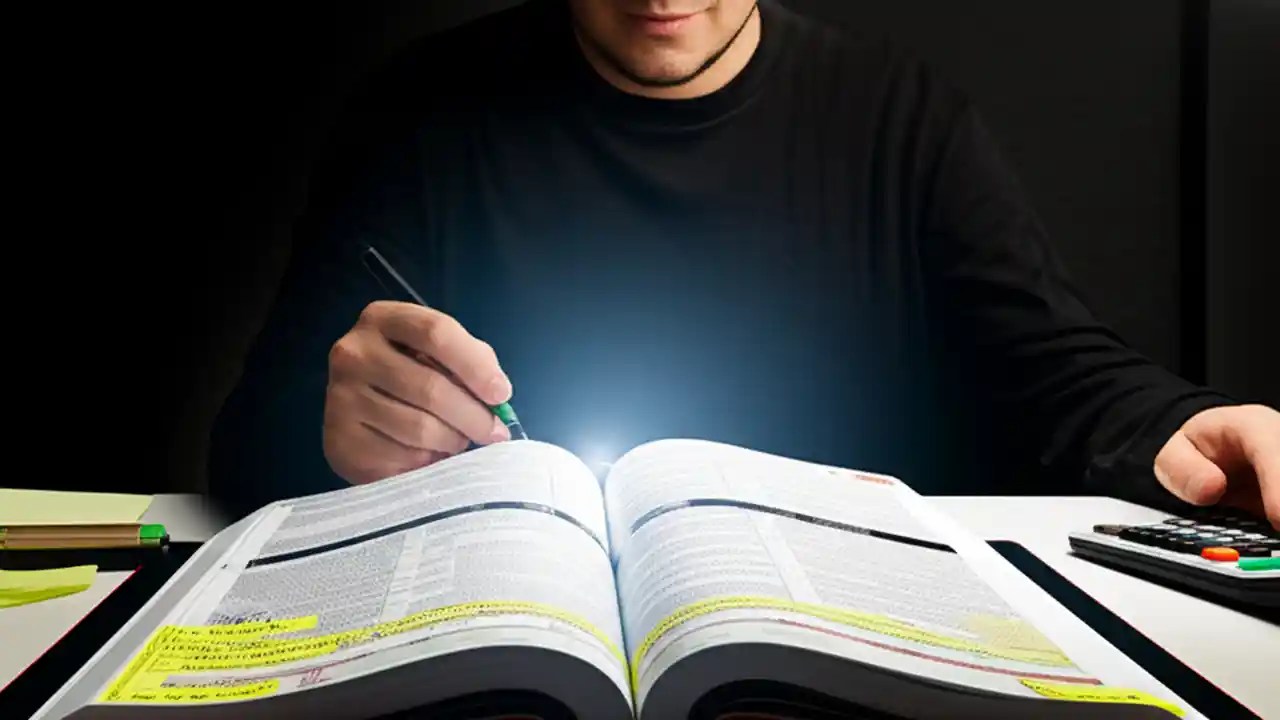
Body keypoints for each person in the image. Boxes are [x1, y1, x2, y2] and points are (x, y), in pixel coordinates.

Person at [207, 0, 1278, 527]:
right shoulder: (416, 113)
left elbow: (1061, 373)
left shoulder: (900, 119)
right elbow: (243, 452)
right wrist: (324, 423)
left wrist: (1185, 426)